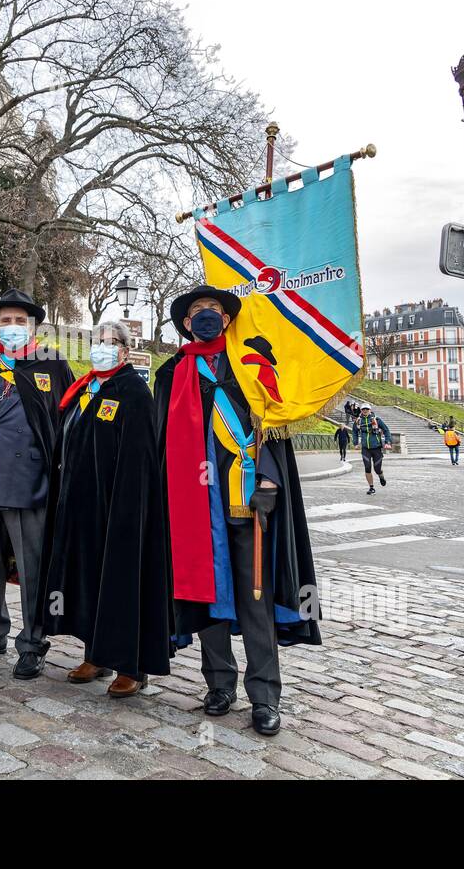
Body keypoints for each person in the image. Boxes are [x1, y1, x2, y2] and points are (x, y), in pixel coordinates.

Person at [155, 285, 320, 737]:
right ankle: (219, 684)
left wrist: (269, 479)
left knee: (255, 599)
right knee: (207, 593)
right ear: (186, 324)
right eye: (197, 312)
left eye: (214, 309)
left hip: (247, 501)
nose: (206, 316)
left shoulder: (252, 364)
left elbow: (274, 425)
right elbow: (159, 442)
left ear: (227, 319)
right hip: (193, 504)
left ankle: (265, 695)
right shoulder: (170, 374)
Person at [38, 321, 171, 698]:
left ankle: (133, 665)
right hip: (82, 506)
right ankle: (96, 654)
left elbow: (140, 458)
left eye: (110, 343)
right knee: (89, 581)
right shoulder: (86, 389)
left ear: (126, 352)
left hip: (120, 508)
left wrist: (127, 508)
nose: (102, 349)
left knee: (123, 583)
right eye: (97, 343)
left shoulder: (133, 392)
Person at [0, 288, 73, 680]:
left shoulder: (51, 363)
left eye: (20, 321)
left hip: (30, 481)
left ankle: (33, 642)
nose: (13, 327)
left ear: (33, 326)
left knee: (31, 566)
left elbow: (65, 420)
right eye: (6, 321)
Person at [352, 403, 391, 494]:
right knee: (367, 467)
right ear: (361, 410)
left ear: (370, 410)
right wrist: (356, 443)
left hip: (376, 448)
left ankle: (381, 476)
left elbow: (386, 430)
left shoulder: (376, 419)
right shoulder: (358, 421)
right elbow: (354, 432)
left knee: (377, 469)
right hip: (365, 448)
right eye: (363, 409)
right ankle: (371, 487)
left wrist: (387, 442)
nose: (365, 411)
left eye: (367, 409)